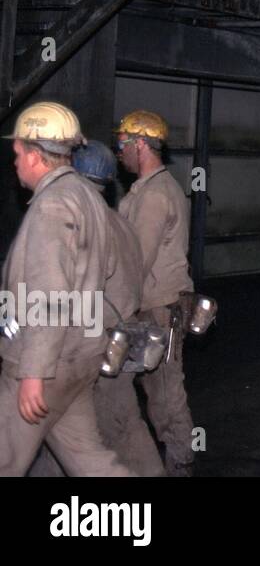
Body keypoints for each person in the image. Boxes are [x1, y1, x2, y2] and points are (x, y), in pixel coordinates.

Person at [0, 103, 132, 476]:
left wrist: (33, 374)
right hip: (80, 355)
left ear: (38, 155)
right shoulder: (90, 198)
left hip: (49, 363)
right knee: (91, 462)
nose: (15, 162)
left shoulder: (52, 206)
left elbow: (49, 295)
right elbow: (104, 269)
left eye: (19, 153)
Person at [27, 140, 165, 477]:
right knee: (125, 426)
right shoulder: (119, 224)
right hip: (123, 342)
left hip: (85, 346)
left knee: (59, 433)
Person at [115, 110, 196, 476]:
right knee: (151, 391)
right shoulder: (149, 190)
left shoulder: (155, 196)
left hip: (158, 310)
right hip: (154, 305)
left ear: (141, 144)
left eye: (123, 144)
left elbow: (136, 262)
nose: (120, 152)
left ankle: (180, 464)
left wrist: (113, 310)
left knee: (164, 394)